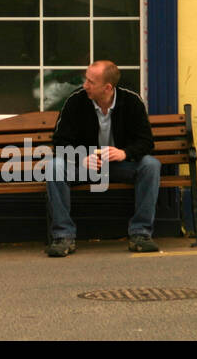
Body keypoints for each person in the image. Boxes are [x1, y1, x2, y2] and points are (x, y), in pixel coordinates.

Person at [46, 59, 160, 256]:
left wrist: (125, 153)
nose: (85, 85)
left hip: (118, 165)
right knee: (54, 166)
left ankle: (141, 233)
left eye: (91, 82)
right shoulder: (75, 100)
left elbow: (146, 142)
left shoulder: (131, 101)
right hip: (83, 164)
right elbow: (60, 142)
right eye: (85, 79)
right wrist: (81, 157)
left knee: (151, 165)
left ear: (107, 87)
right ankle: (63, 236)